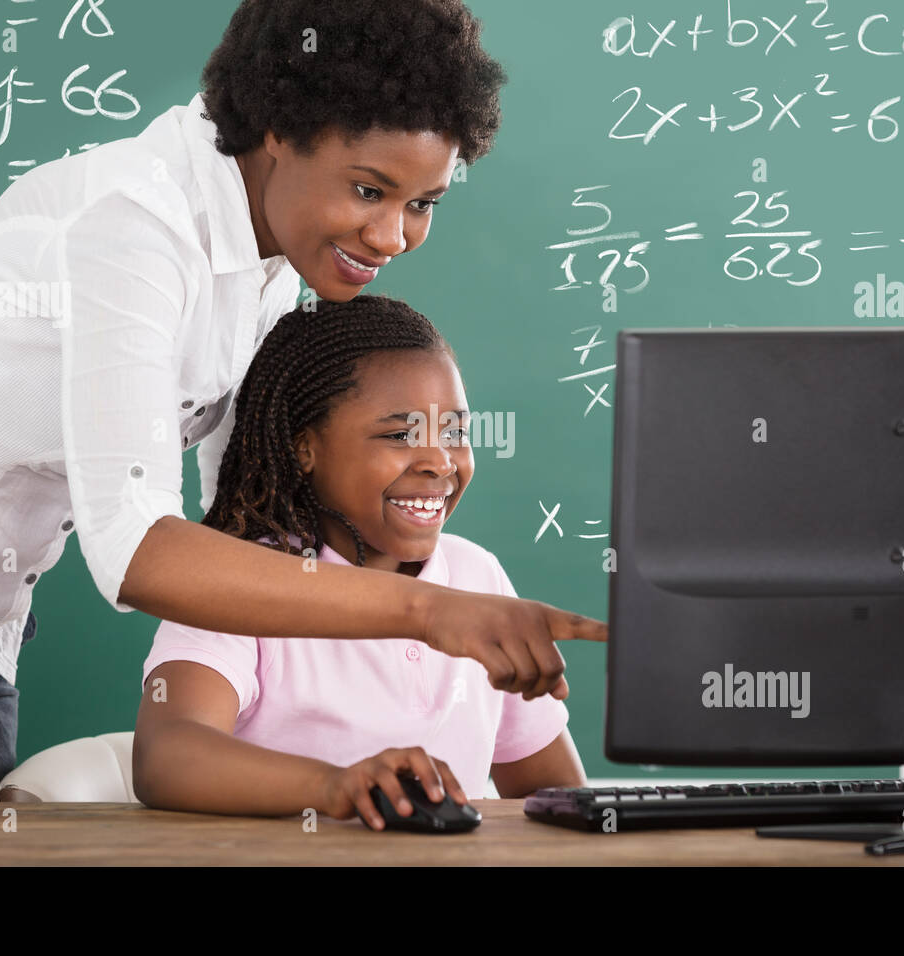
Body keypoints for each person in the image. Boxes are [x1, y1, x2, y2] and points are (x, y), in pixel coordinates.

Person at [0, 0, 604, 803]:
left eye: (423, 203)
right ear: (275, 130)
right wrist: (426, 612)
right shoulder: (133, 226)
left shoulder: (268, 262)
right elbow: (136, 549)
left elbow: (248, 528)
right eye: (370, 189)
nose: (392, 235)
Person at [135, 296, 589, 824]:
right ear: (305, 448)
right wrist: (335, 785)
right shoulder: (238, 581)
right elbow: (164, 757)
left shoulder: (477, 578)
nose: (440, 461)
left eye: (456, 434)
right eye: (399, 435)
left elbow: (557, 796)